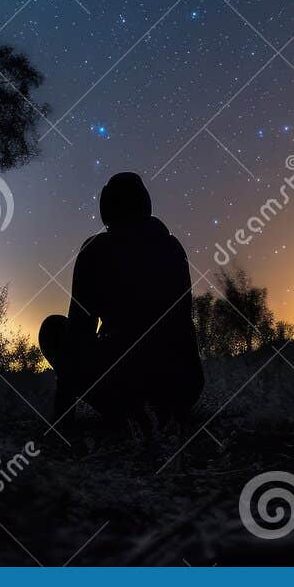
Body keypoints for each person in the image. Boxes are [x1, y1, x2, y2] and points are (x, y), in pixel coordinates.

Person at [39, 172, 203, 426]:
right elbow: (181, 322)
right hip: (183, 382)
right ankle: (162, 411)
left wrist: (62, 419)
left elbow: (78, 331)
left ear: (106, 208)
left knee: (53, 329)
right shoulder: (172, 246)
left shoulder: (95, 251)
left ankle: (128, 414)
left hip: (128, 379)